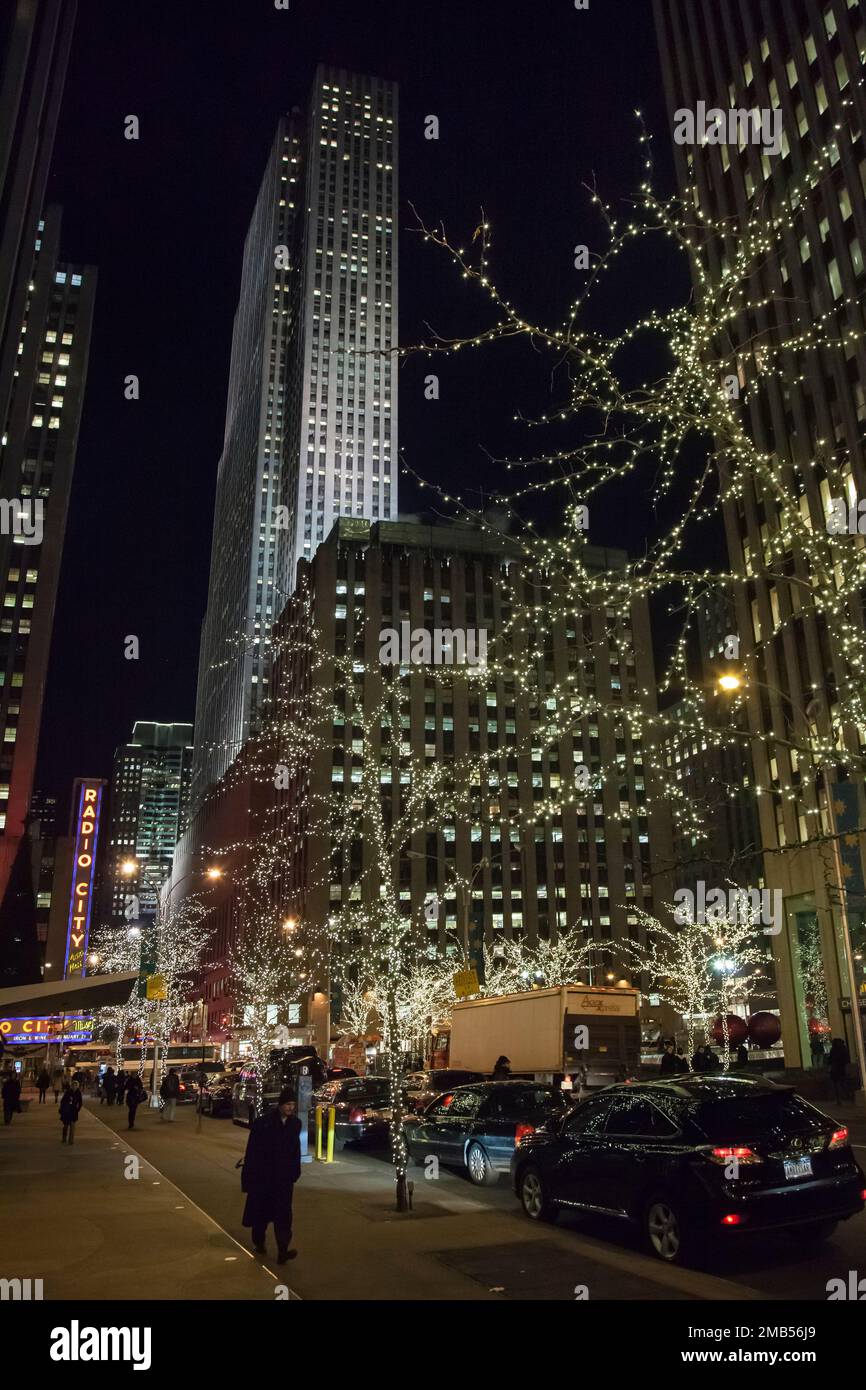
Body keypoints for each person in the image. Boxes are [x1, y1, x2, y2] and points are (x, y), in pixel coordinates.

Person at [241, 1089, 301, 1263]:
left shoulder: (295, 1124)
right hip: (264, 1177)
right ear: (281, 1105)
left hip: (283, 1179)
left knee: (283, 1215)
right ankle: (259, 1243)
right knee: (262, 1212)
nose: (291, 1108)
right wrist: (249, 1178)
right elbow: (252, 1151)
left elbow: (295, 1151)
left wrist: (294, 1172)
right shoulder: (263, 1123)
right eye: (288, 1104)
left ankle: (283, 1249)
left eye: (293, 1105)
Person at [828, 1037, 851, 1103]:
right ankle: (845, 1096)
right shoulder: (843, 1049)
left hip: (835, 1068)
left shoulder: (833, 1049)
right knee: (842, 1083)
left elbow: (830, 1059)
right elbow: (846, 1059)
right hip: (841, 1068)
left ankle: (839, 1098)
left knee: (836, 1084)